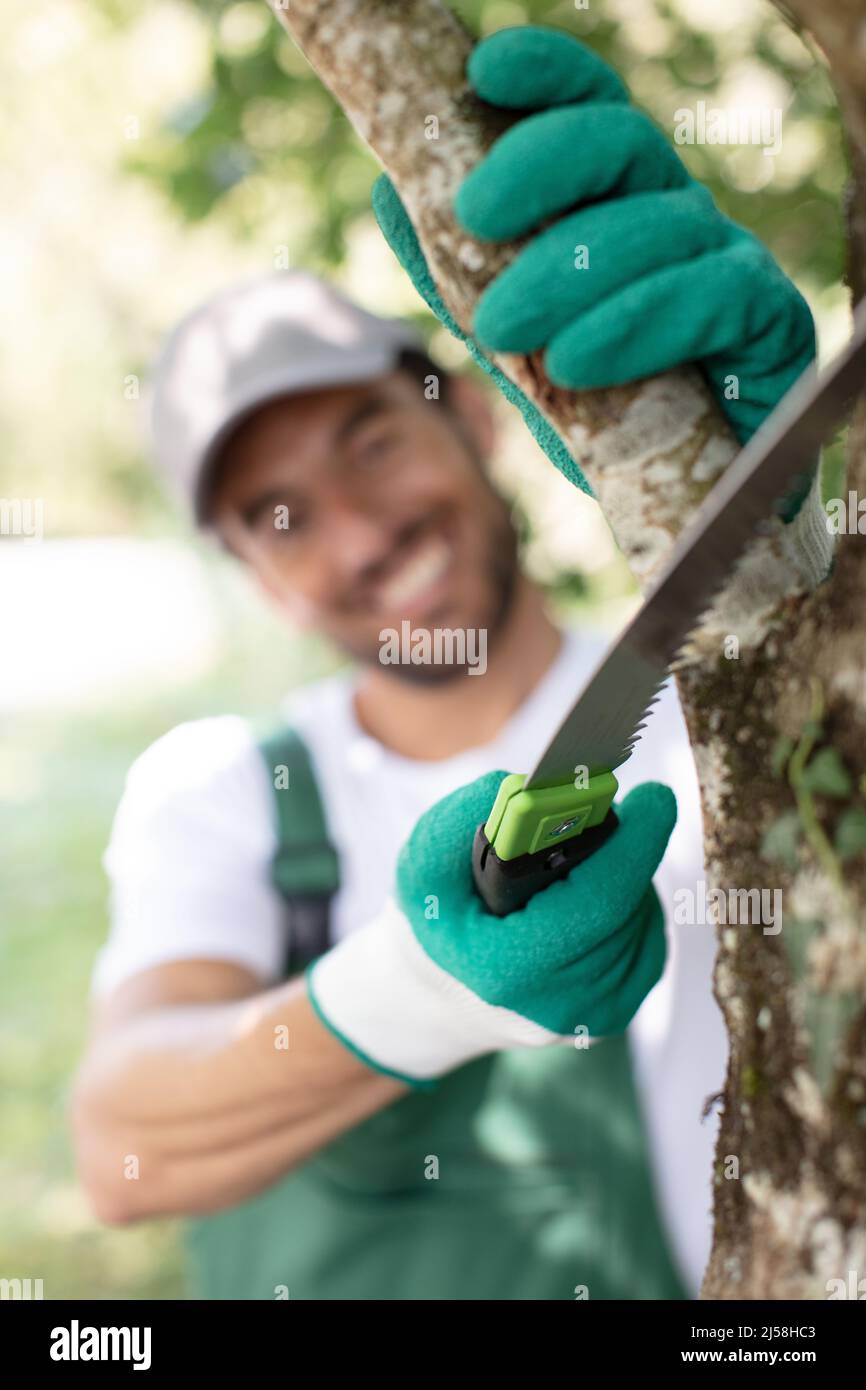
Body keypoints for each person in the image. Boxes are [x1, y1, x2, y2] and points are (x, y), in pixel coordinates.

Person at [72, 26, 818, 1301]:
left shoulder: (730, 706)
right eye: (280, 515)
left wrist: (789, 561)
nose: (359, 535)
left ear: (471, 414)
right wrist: (417, 989)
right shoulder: (225, 795)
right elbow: (123, 1145)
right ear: (253, 571)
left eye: (370, 441)